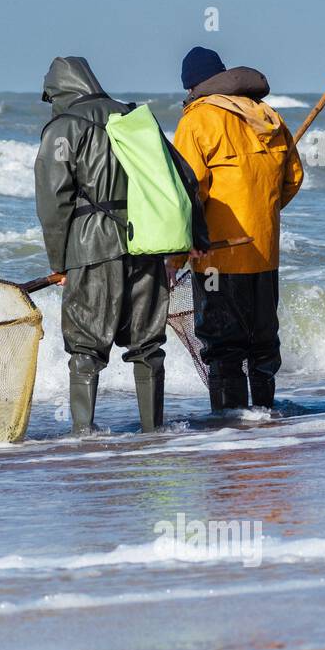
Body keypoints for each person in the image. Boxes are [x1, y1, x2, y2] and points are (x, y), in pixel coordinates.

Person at [33, 56, 206, 436]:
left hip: (90, 248)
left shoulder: (63, 129)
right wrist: (196, 237)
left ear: (60, 91)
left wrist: (59, 262)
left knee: (86, 346)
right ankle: (154, 431)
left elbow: (53, 201)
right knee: (147, 344)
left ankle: (83, 434)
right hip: (147, 242)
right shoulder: (131, 115)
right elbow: (184, 177)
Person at [171, 47, 304, 411]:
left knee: (222, 346)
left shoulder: (197, 120)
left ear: (193, 86)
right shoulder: (269, 116)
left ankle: (229, 430)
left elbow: (188, 191)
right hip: (264, 252)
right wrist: (262, 213)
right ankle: (264, 418)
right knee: (262, 343)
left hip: (217, 256)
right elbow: (292, 179)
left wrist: (178, 252)